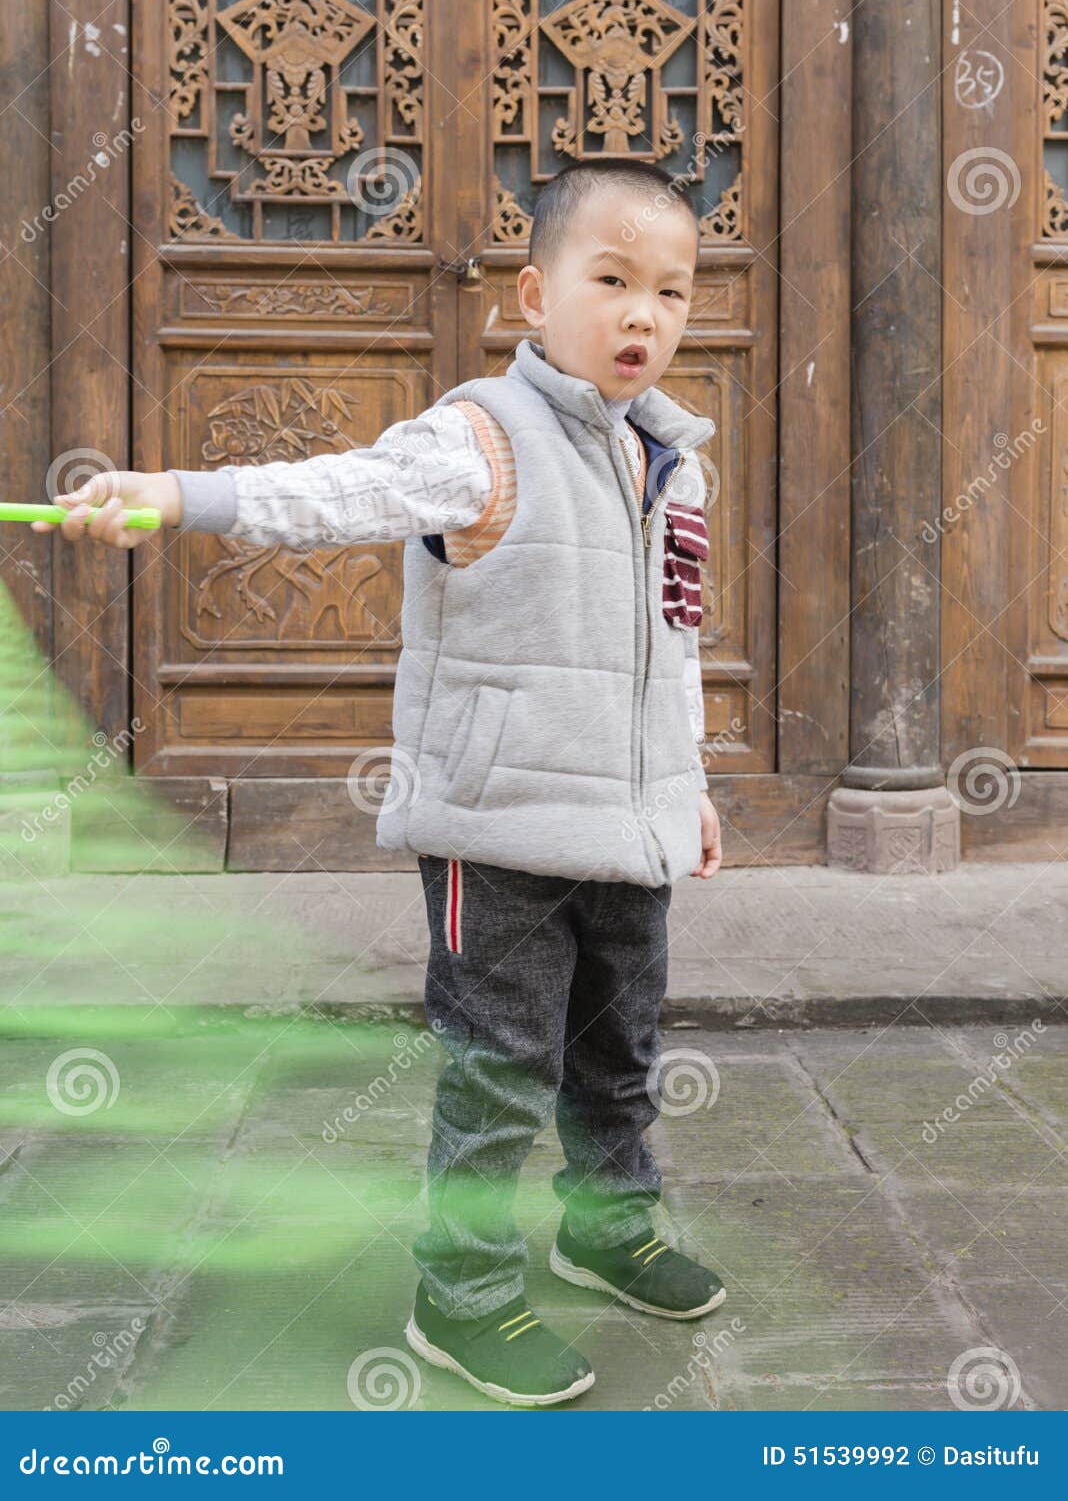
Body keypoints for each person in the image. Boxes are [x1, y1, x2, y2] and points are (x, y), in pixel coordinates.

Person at [35, 158, 727, 1408]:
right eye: (612, 280)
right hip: (498, 830)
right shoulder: (480, 436)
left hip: (632, 832)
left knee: (618, 1047)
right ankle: (459, 1300)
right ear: (533, 292)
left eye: (672, 292)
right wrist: (174, 495)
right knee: (499, 1066)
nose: (644, 316)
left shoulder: (671, 463)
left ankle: (608, 1227)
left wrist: (691, 787)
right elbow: (335, 490)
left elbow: (673, 644)